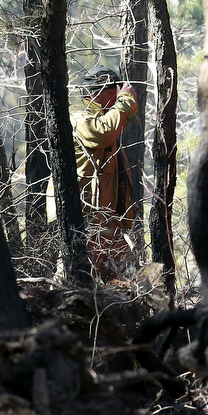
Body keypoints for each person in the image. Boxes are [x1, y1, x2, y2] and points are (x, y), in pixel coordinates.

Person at [73, 65, 139, 278]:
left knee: (129, 279)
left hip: (107, 221)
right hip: (86, 219)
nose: (115, 98)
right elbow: (103, 133)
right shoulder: (79, 117)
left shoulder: (100, 120)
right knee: (83, 279)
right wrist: (126, 102)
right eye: (112, 93)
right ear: (95, 93)